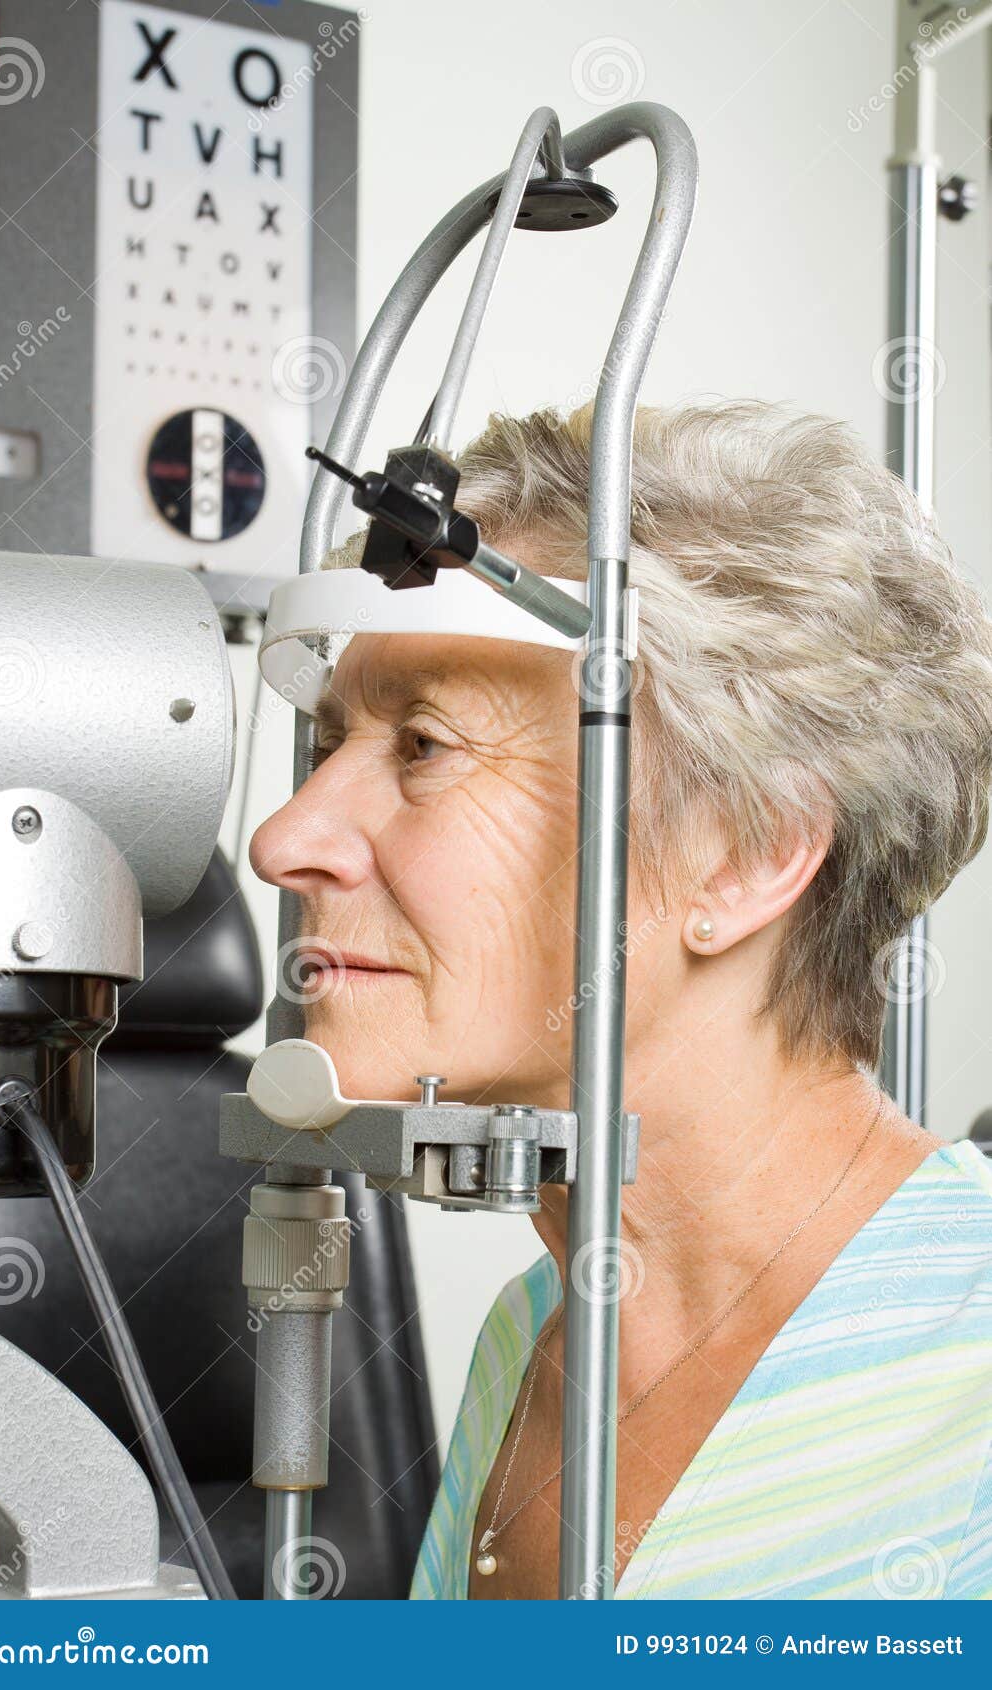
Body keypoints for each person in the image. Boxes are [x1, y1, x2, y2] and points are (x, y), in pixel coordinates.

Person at [251, 399, 992, 1599]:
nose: (286, 838)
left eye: (425, 745)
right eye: (331, 740)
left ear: (743, 852)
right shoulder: (533, 1334)